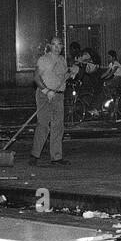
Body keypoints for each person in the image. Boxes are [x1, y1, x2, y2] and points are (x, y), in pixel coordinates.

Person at [30, 36, 69, 165]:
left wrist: (70, 74)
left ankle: (56, 157)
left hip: (58, 95)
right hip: (44, 94)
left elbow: (62, 76)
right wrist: (47, 91)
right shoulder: (44, 59)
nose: (57, 47)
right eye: (54, 44)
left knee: (58, 125)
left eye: (59, 45)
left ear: (62, 46)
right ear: (50, 46)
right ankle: (34, 155)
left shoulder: (63, 60)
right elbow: (36, 77)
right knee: (43, 124)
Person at [102, 50, 121, 120]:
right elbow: (107, 72)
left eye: (109, 57)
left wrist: (106, 78)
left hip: (119, 79)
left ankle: (110, 98)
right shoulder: (111, 64)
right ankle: (112, 99)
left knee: (106, 84)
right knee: (106, 85)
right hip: (115, 79)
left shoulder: (116, 64)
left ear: (113, 57)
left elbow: (111, 73)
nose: (108, 58)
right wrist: (100, 77)